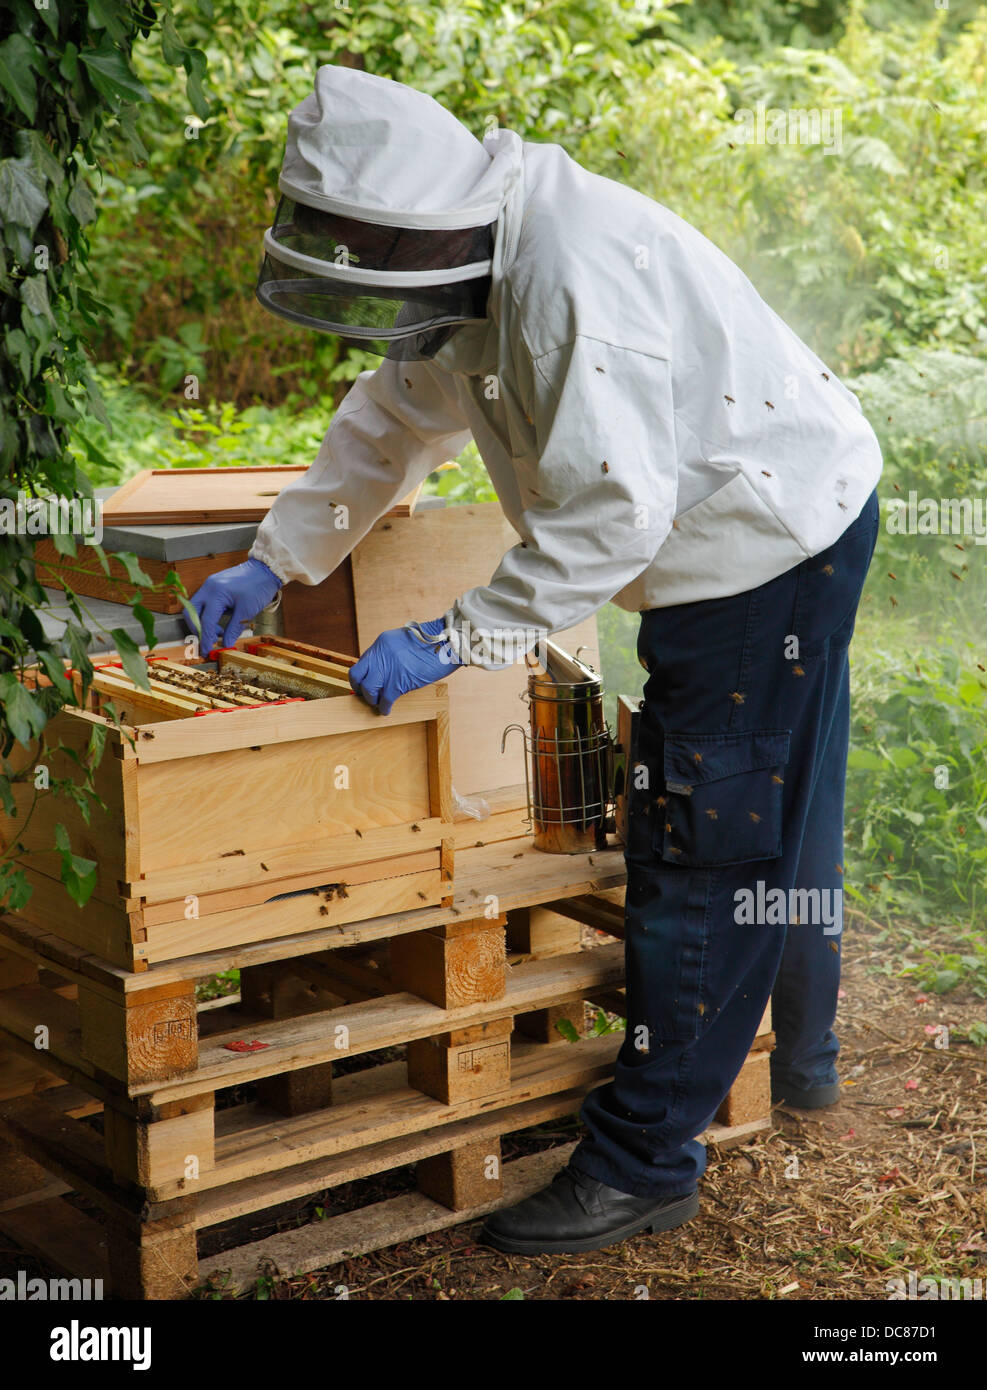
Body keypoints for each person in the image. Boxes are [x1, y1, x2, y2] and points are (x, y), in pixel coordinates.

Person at [188, 65, 882, 1255]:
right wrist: (281, 558)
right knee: (777, 800)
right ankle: (802, 1058)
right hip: (788, 500)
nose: (359, 264)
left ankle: (645, 1160)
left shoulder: (566, 284)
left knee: (699, 839)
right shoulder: (465, 260)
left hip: (758, 548)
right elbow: (395, 417)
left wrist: (451, 639)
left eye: (360, 241)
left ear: (417, 219)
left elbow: (613, 518)